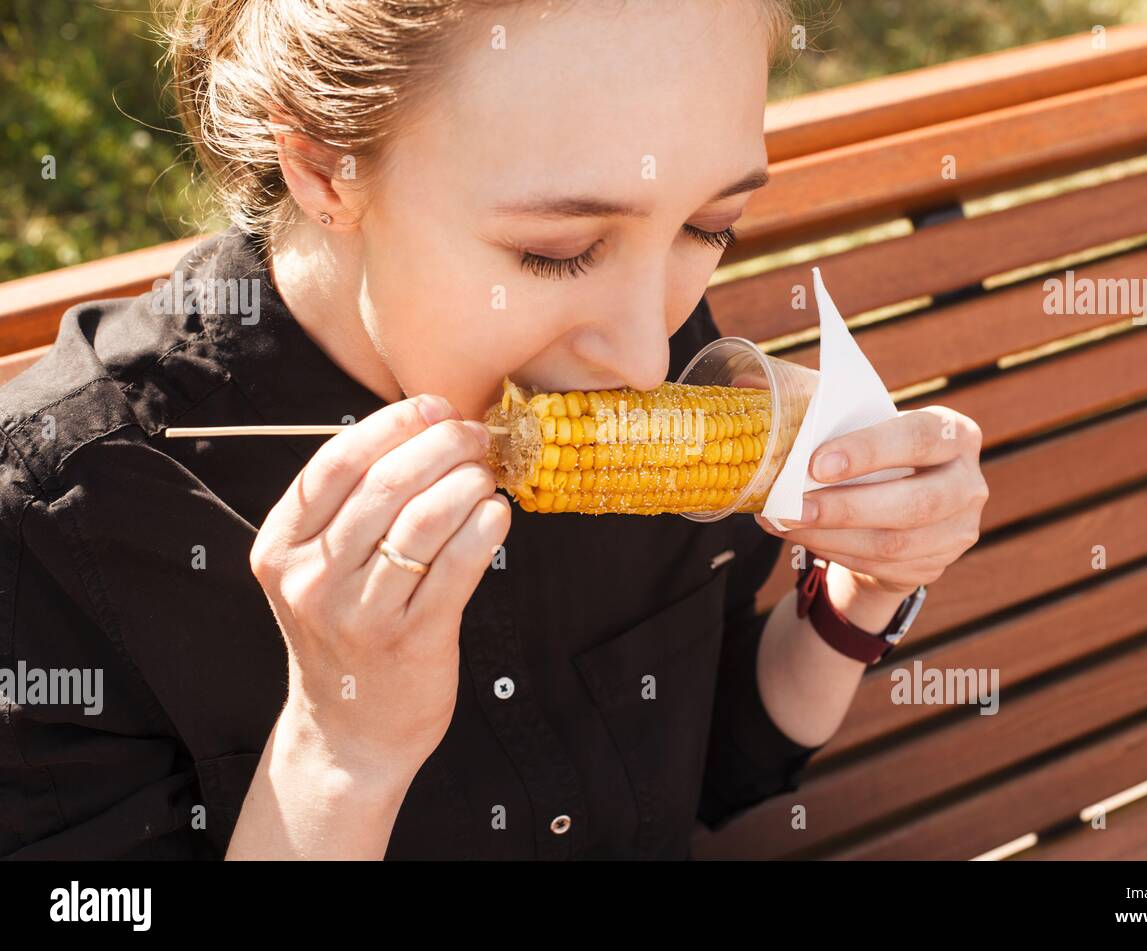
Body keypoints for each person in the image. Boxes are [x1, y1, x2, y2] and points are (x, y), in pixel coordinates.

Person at [0, 0, 987, 860]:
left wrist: (861, 589)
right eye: (558, 251)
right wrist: (338, 759)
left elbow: (713, 764)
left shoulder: (648, 338)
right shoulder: (62, 520)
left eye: (708, 227)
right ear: (324, 167)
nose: (646, 358)